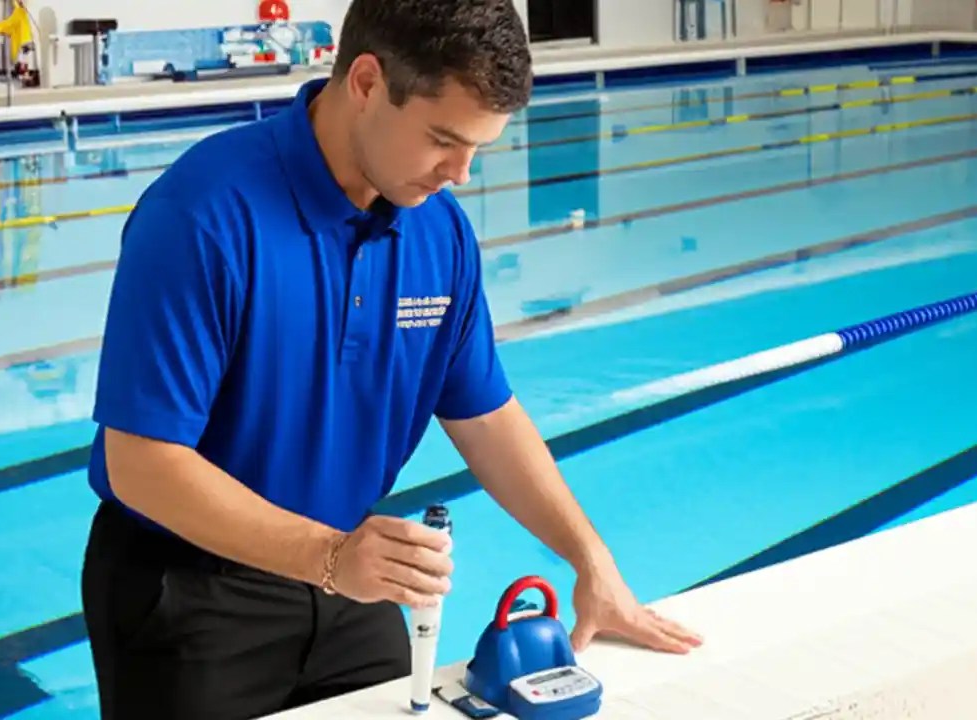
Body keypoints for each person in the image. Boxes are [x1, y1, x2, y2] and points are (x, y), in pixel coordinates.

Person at [79, 0, 702, 718]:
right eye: (443, 138)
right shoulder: (204, 216)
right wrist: (331, 558)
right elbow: (142, 464)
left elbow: (485, 412)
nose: (461, 173)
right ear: (368, 83)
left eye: (478, 147)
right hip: (190, 590)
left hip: (343, 574)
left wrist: (591, 560)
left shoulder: (436, 229)